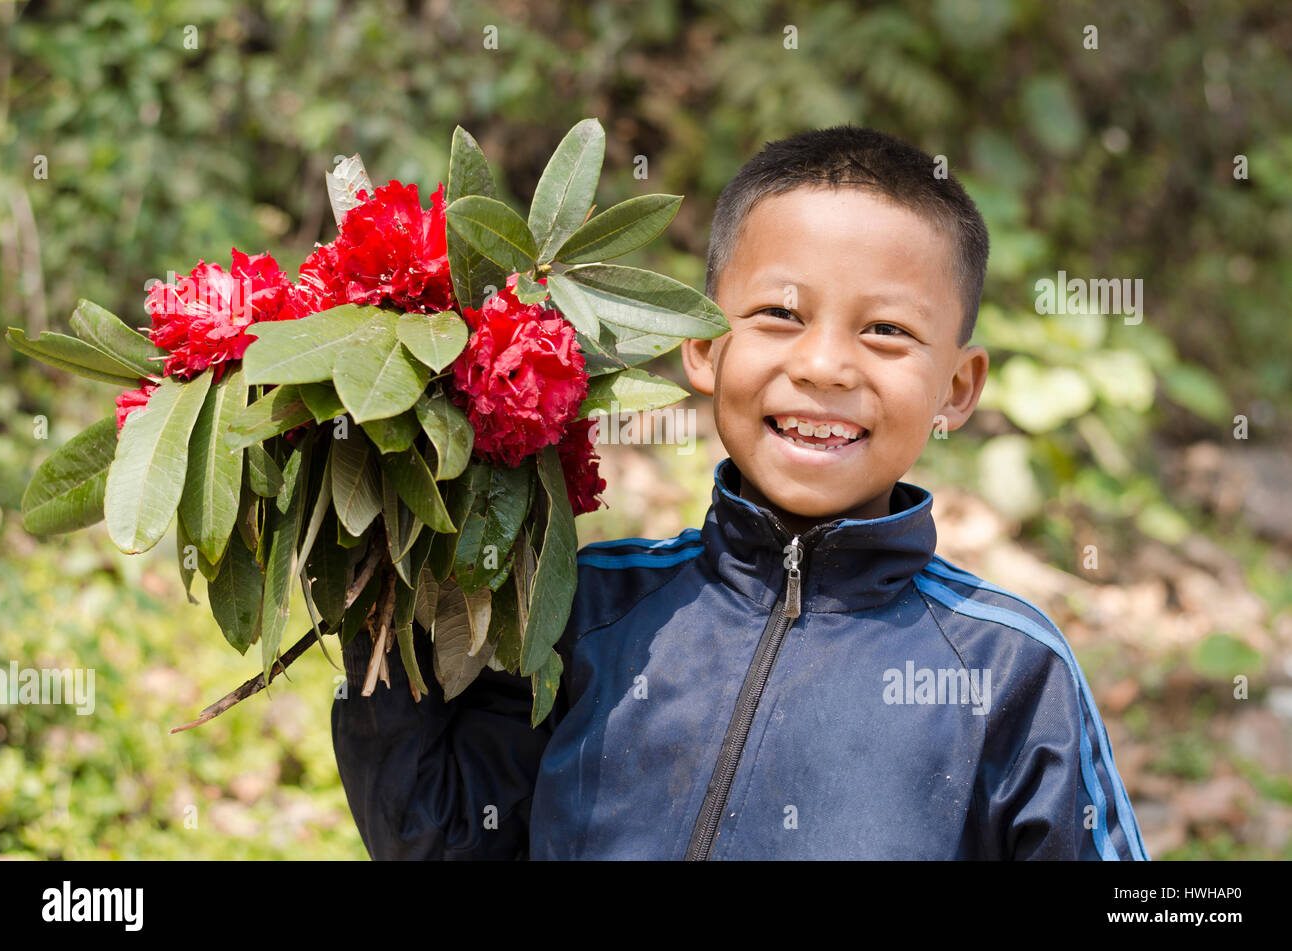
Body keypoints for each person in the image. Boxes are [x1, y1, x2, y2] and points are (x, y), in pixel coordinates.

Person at [331, 124, 1149, 861]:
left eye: (887, 331)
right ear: (700, 342)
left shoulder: (1008, 669)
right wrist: (380, 568)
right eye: (780, 315)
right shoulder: (584, 610)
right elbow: (443, 841)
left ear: (958, 388)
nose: (825, 364)